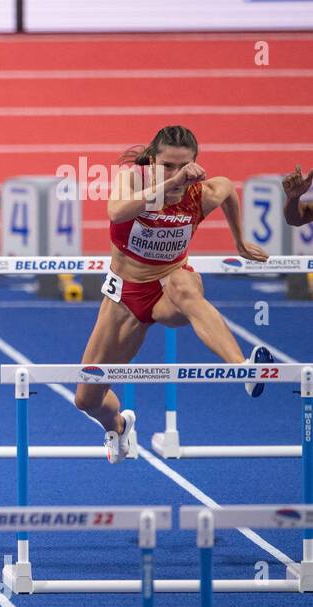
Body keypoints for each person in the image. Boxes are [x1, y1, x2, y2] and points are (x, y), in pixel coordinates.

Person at [77, 125, 270, 464]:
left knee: (185, 285)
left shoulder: (202, 194)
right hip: (125, 297)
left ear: (195, 164)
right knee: (87, 399)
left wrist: (239, 241)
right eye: (167, 165)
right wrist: (167, 185)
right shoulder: (133, 180)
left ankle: (243, 369)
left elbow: (226, 190)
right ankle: (119, 425)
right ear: (152, 160)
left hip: (169, 287)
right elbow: (116, 212)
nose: (177, 173)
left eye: (184, 167)